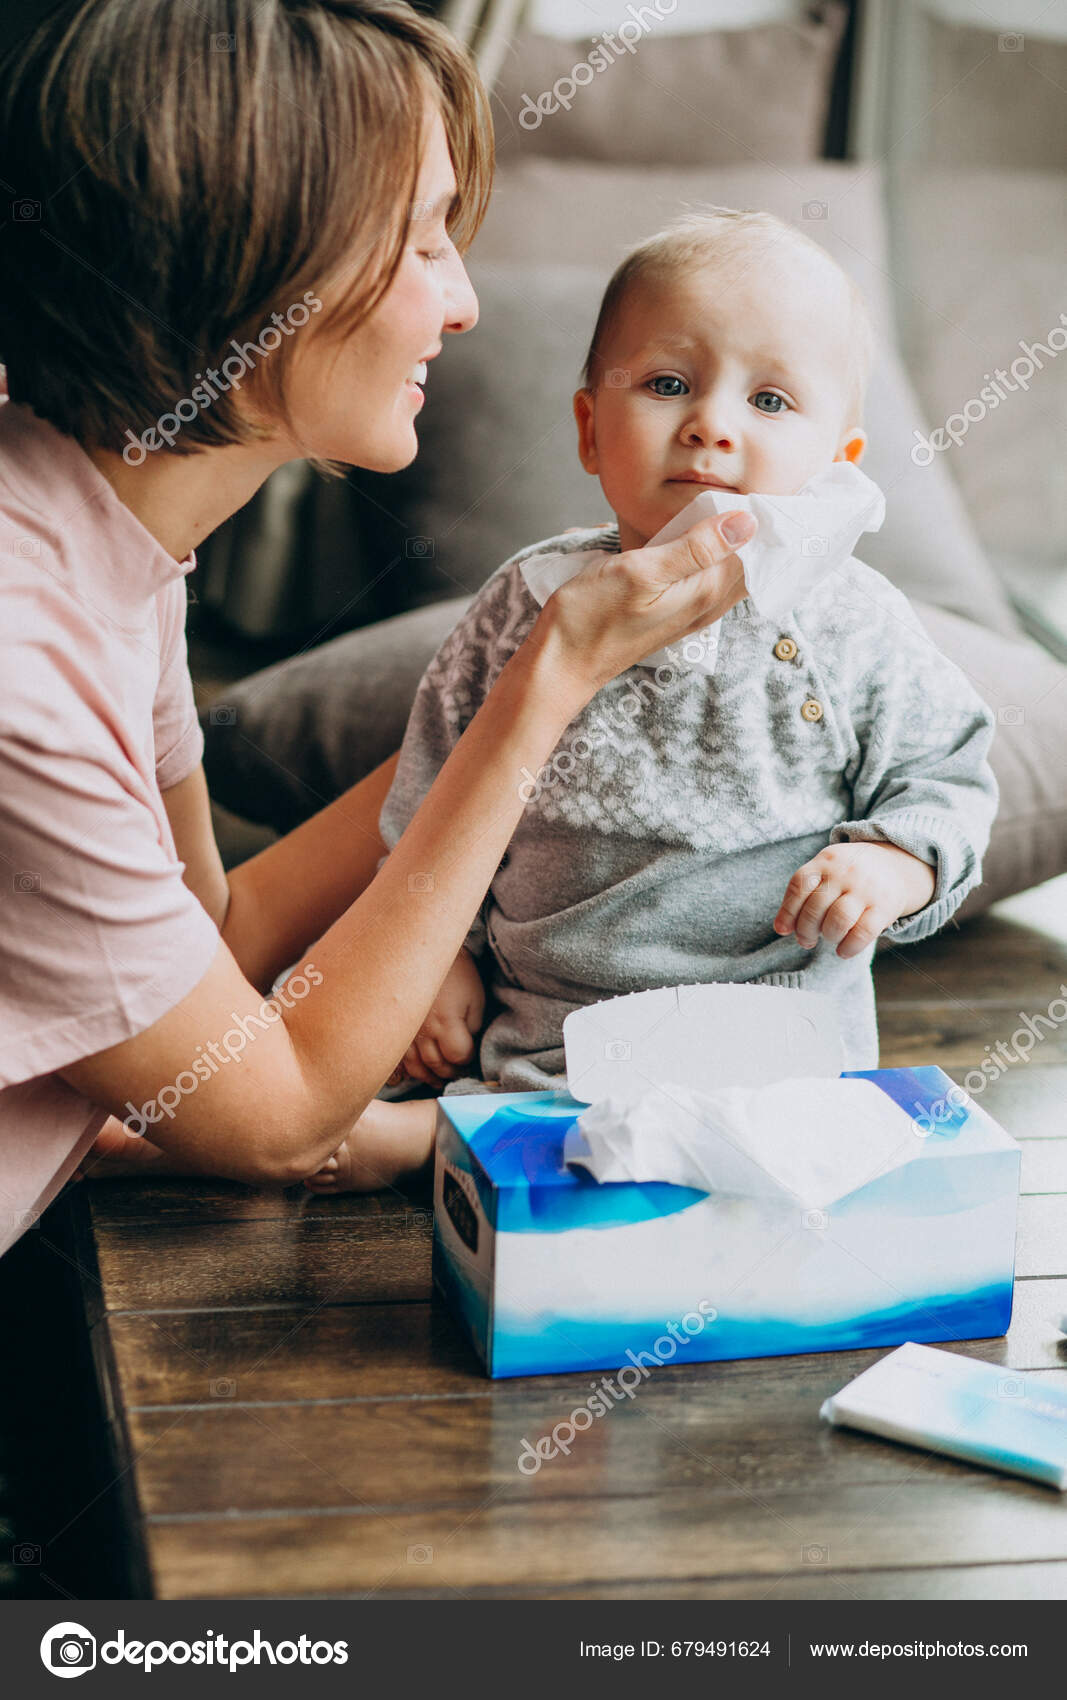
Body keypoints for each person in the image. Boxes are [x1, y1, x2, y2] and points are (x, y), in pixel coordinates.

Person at [0, 0, 760, 1254]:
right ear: (249, 262)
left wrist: (507, 692)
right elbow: (282, 1114)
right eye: (418, 245)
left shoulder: (100, 535)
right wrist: (544, 686)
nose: (460, 305)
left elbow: (215, 932)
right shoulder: (26, 647)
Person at [309, 208, 998, 1192]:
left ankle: (428, 1147)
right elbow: (437, 792)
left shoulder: (853, 624)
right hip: (557, 1013)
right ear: (589, 426)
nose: (710, 422)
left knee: (788, 1139)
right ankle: (455, 1138)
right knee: (558, 1120)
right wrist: (443, 961)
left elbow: (947, 775)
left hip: (773, 1017)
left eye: (767, 399)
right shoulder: (530, 605)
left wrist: (896, 866)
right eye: (668, 383)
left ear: (836, 463)